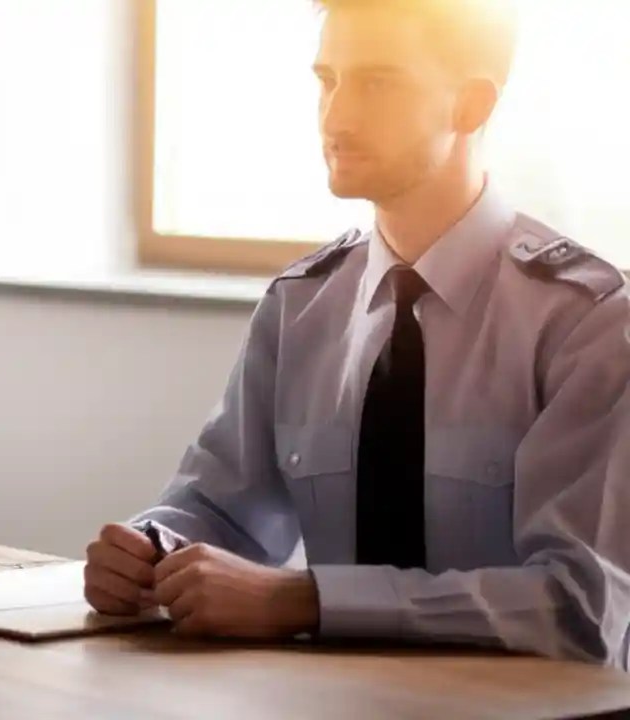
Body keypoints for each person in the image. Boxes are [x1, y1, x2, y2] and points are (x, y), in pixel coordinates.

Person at [84, 0, 630, 666]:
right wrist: (147, 551)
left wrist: (304, 600)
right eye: (327, 80)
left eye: (377, 83)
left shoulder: (589, 323)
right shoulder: (300, 308)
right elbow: (221, 511)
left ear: (471, 106)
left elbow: (582, 609)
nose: (335, 117)